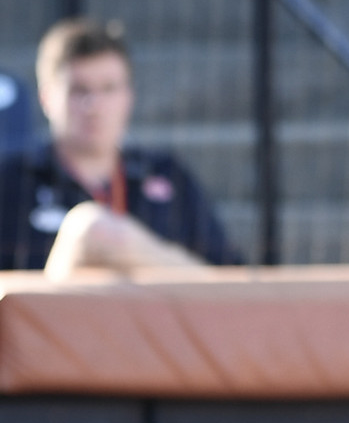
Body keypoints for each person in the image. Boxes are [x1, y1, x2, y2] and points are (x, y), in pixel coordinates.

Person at [0, 18, 240, 274]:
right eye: (79, 90)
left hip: (157, 311)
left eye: (109, 89)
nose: (94, 106)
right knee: (91, 229)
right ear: (47, 98)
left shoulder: (166, 174)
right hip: (52, 312)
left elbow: (228, 271)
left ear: (129, 96)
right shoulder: (10, 182)